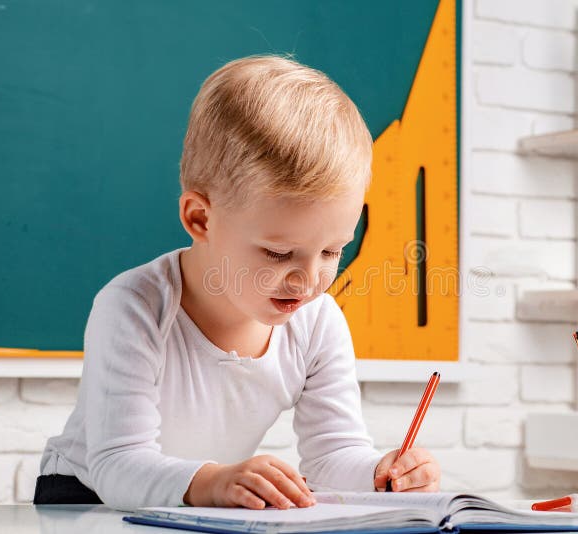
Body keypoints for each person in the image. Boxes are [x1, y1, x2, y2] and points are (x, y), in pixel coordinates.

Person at [34, 55, 441, 511]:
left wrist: (380, 473)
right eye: (278, 253)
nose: (309, 281)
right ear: (200, 218)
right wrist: (215, 482)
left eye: (331, 251)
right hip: (85, 499)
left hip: (202, 498)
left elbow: (332, 454)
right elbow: (118, 463)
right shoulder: (133, 306)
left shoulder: (318, 323)